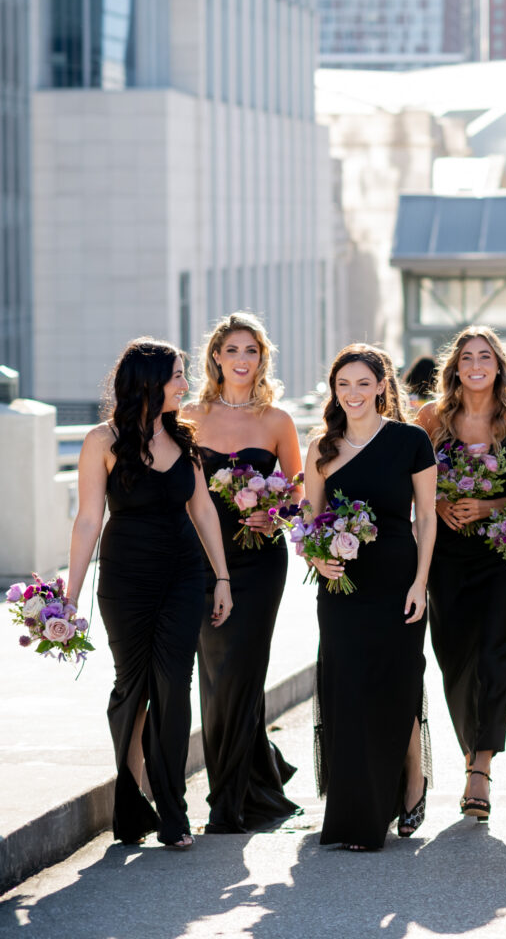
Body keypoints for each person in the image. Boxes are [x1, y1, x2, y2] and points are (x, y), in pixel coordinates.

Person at [65, 338, 234, 849]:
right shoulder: (103, 440)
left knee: (173, 687)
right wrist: (67, 598)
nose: (186, 384)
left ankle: (173, 810)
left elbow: (202, 511)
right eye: (178, 375)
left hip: (183, 576)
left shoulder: (185, 438)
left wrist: (221, 577)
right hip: (125, 580)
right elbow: (89, 518)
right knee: (131, 688)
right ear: (148, 381)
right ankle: (130, 795)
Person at [305, 344, 437, 851]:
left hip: (398, 581)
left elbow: (425, 518)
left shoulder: (410, 441)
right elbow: (309, 519)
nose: (353, 394)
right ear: (334, 390)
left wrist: (421, 583)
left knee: (397, 685)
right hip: (341, 588)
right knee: (349, 690)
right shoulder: (324, 447)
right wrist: (316, 558)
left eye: (363, 383)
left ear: (383, 385)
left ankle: (412, 778)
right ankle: (356, 813)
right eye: (343, 385)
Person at [184, 313, 303, 834]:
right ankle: (255, 775)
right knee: (216, 676)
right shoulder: (188, 416)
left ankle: (227, 802)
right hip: (202, 560)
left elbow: (300, 490)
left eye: (251, 350)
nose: (241, 359)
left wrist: (274, 512)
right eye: (232, 349)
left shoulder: (277, 420)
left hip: (258, 558)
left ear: (262, 358)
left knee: (245, 670)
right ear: (216, 357)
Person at [416, 326, 506, 823]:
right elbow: (414, 485)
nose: (476, 364)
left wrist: (489, 505)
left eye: (485, 356)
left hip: (502, 552)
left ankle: (479, 770)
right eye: (467, 357)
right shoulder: (431, 419)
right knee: (456, 656)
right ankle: (472, 748)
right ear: (455, 367)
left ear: (499, 365)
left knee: (496, 649)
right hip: (445, 554)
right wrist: (441, 502)